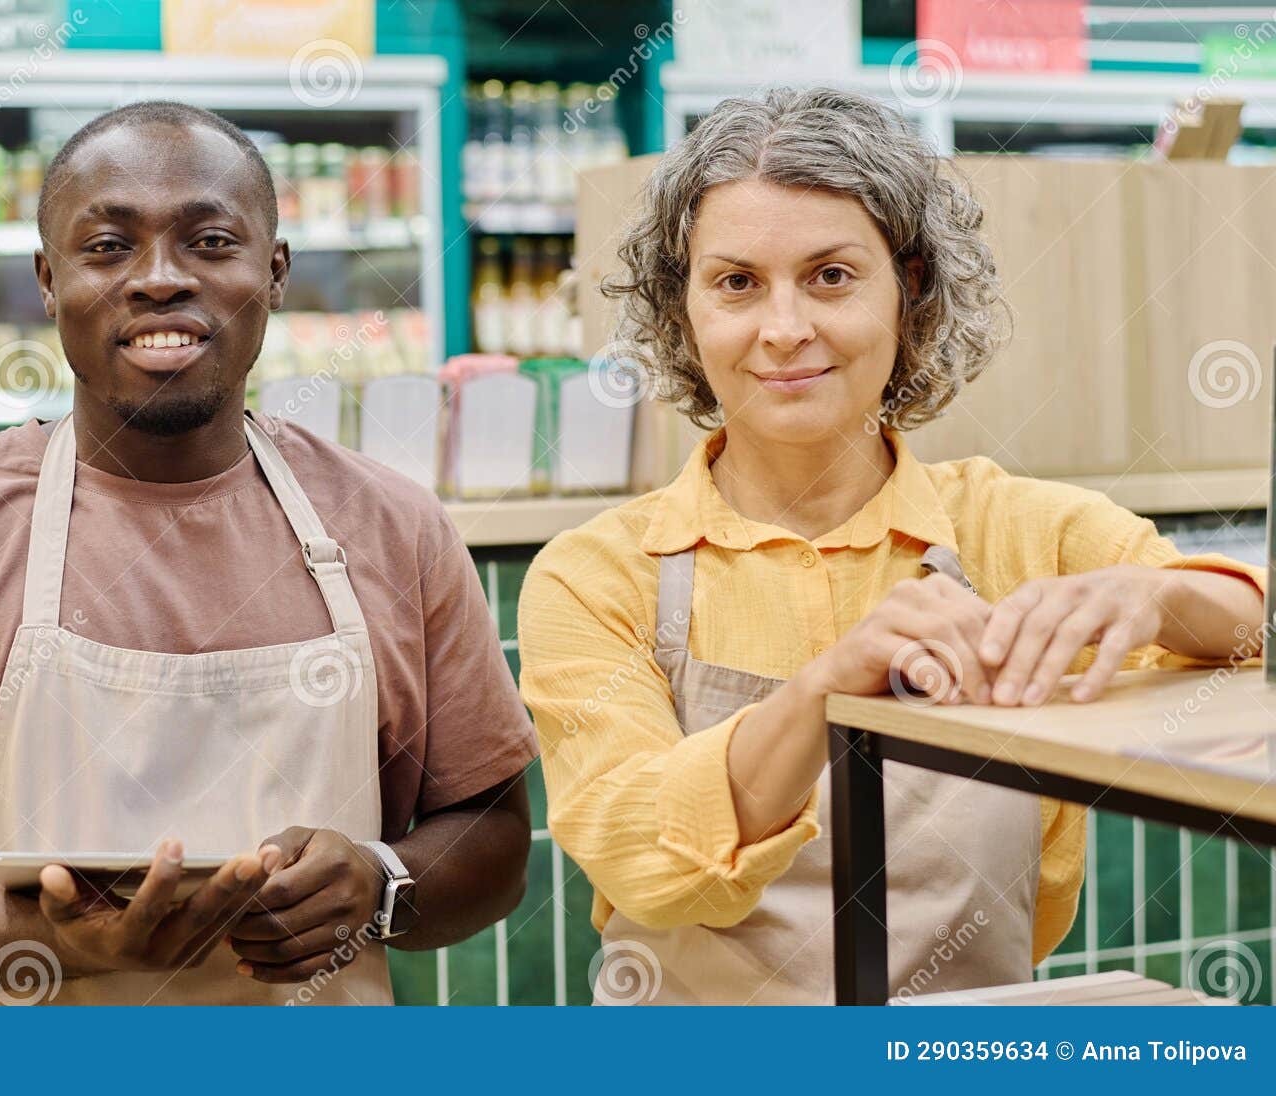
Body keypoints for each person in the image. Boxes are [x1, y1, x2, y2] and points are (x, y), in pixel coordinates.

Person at [0, 101, 537, 1006]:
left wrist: (378, 885)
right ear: (48, 282)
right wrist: (64, 945)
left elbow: (491, 843)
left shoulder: (396, 528)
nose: (159, 280)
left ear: (275, 270)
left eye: (211, 242)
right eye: (107, 248)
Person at [516, 87, 1266, 1006]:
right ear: (684, 312)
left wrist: (1164, 598)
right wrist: (829, 689)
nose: (785, 328)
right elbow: (640, 856)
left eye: (831, 275)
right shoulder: (597, 575)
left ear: (909, 291)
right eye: (736, 282)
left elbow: (1248, 635)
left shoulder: (1018, 528)